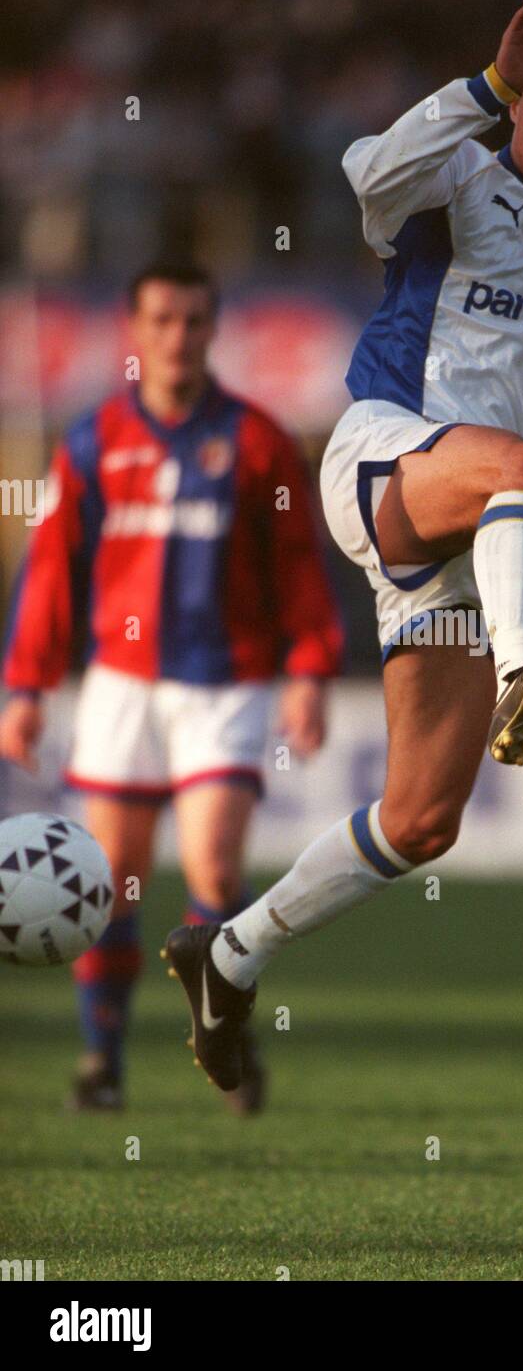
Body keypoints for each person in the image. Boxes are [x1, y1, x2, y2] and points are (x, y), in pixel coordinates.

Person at [162, 0, 523, 1091]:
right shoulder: (457, 180)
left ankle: (228, 953)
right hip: (388, 457)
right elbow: (368, 175)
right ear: (521, 108)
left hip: (479, 537)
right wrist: (486, 88)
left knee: (423, 821)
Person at [0, 264, 343, 1112]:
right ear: (135, 330)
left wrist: (308, 669)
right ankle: (101, 1060)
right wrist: (26, 684)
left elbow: (299, 564)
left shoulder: (258, 440)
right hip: (122, 686)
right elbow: (52, 570)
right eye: (162, 320)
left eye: (193, 320)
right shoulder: (94, 439)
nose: (178, 336)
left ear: (212, 329)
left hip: (224, 684)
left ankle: (224, 1029)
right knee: (111, 881)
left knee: (215, 874)